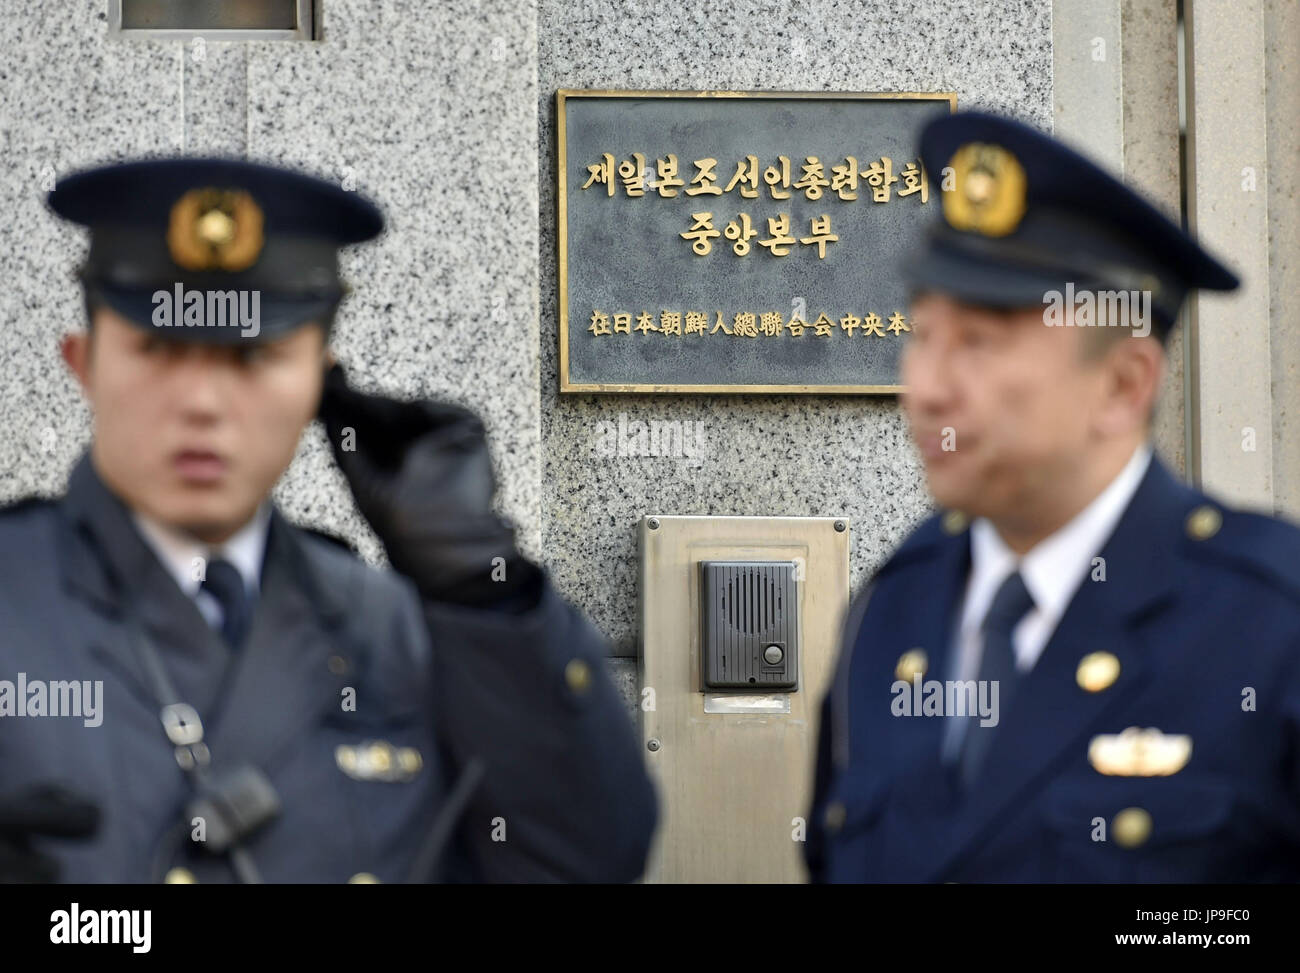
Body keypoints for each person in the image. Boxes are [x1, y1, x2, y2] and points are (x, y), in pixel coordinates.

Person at [0, 157, 657, 883]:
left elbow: (584, 859)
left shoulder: (395, 626)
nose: (204, 402)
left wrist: (481, 586)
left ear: (321, 378)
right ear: (83, 361)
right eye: (158, 348)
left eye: (253, 355)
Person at [804, 111, 1300, 882]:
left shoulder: (1268, 620)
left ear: (1123, 383)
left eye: (979, 343)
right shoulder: (894, 605)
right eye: (922, 334)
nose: (925, 388)